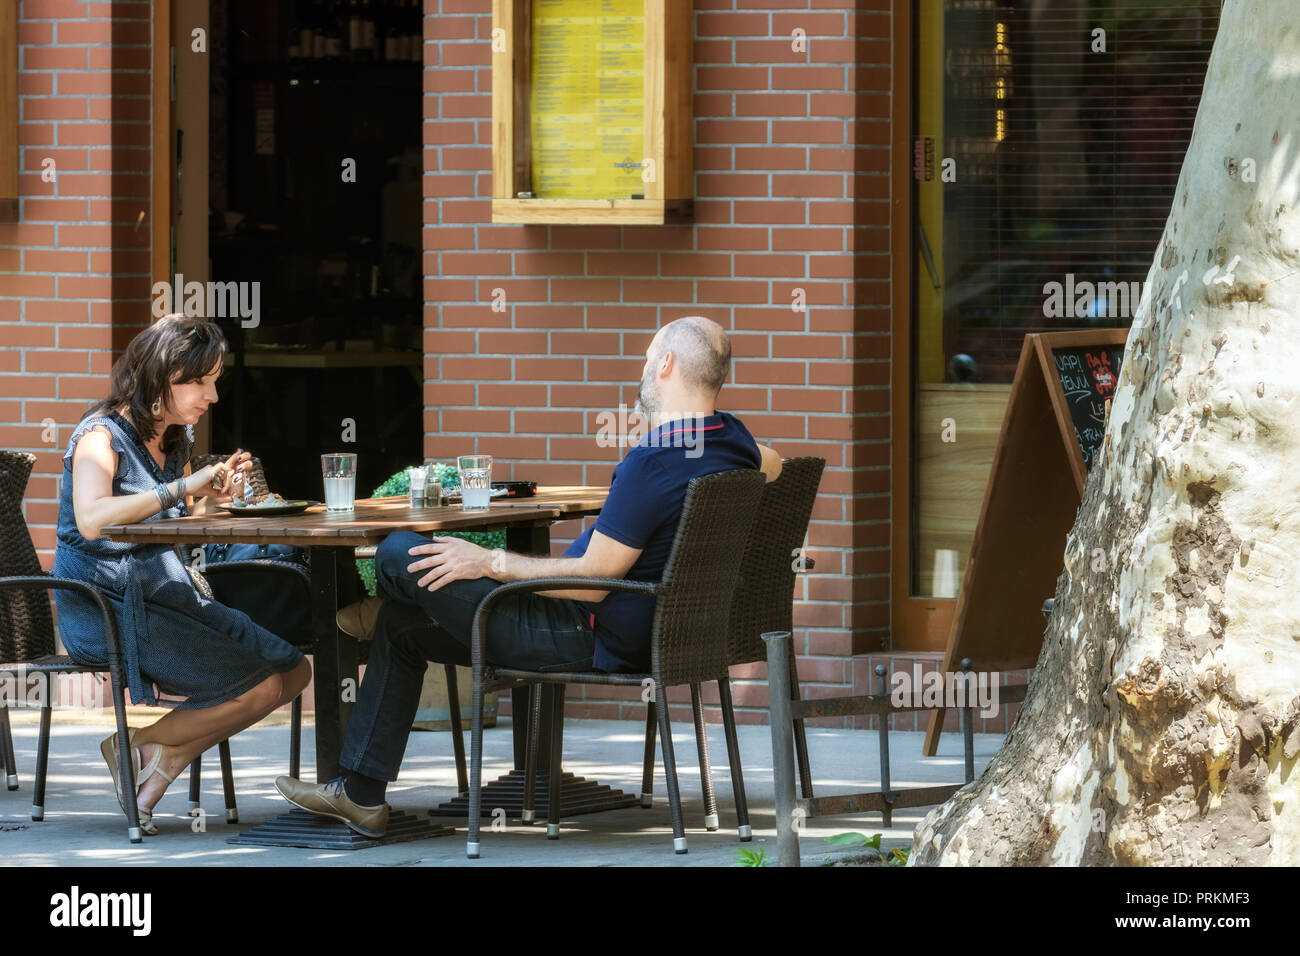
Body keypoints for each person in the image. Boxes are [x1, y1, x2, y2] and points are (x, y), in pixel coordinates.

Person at [275, 315, 781, 837]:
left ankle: (391, 612)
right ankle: (360, 796)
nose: (643, 368)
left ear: (667, 364)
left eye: (649, 357)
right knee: (402, 627)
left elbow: (594, 578)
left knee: (398, 551)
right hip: (659, 633)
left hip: (582, 633)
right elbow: (776, 463)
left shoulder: (651, 464)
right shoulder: (734, 440)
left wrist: (489, 562)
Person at [54, 314, 312, 834]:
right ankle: (136, 750)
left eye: (215, 380)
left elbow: (164, 527)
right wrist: (182, 488)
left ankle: (158, 760)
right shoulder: (98, 437)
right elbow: (93, 516)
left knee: (294, 671)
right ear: (159, 379)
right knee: (260, 687)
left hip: (166, 596)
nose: (212, 395)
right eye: (201, 380)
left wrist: (210, 504)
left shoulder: (173, 439)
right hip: (108, 608)